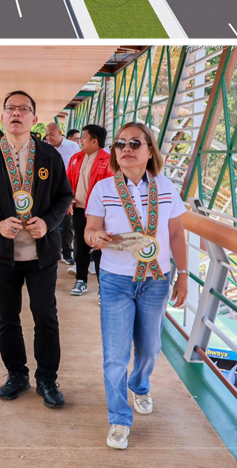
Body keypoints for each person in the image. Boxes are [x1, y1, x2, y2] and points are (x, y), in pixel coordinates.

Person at [85, 122, 190, 451]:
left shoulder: (167, 188)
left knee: (149, 346)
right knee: (115, 355)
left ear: (149, 150)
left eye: (134, 143)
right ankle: (119, 417)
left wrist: (184, 274)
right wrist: (95, 238)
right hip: (116, 280)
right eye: (119, 144)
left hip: (156, 279)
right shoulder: (103, 188)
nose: (126, 149)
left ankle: (140, 385)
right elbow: (90, 230)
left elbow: (175, 235)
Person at [0, 91, 73, 408]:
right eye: (10, 109)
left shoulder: (49, 156)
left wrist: (50, 223)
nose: (16, 114)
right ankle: (17, 375)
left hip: (41, 255)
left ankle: (47, 379)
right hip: (3, 254)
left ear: (34, 119)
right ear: (1, 117)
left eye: (23, 109)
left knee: (46, 317)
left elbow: (64, 196)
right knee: (7, 319)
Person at [65, 124, 111, 296]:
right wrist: (69, 198)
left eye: (83, 137)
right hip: (79, 210)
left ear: (94, 140)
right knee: (81, 246)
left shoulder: (107, 160)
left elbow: (110, 188)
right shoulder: (76, 158)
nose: (80, 140)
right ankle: (81, 280)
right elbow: (67, 181)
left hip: (99, 214)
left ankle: (102, 288)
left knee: (99, 248)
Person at [46, 123, 82, 264]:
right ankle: (51, 252)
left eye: (51, 135)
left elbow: (79, 168)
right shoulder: (46, 149)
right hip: (49, 191)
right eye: (47, 135)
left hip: (66, 191)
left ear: (60, 133)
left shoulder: (72, 147)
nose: (49, 138)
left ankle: (67, 253)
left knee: (67, 224)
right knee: (50, 221)